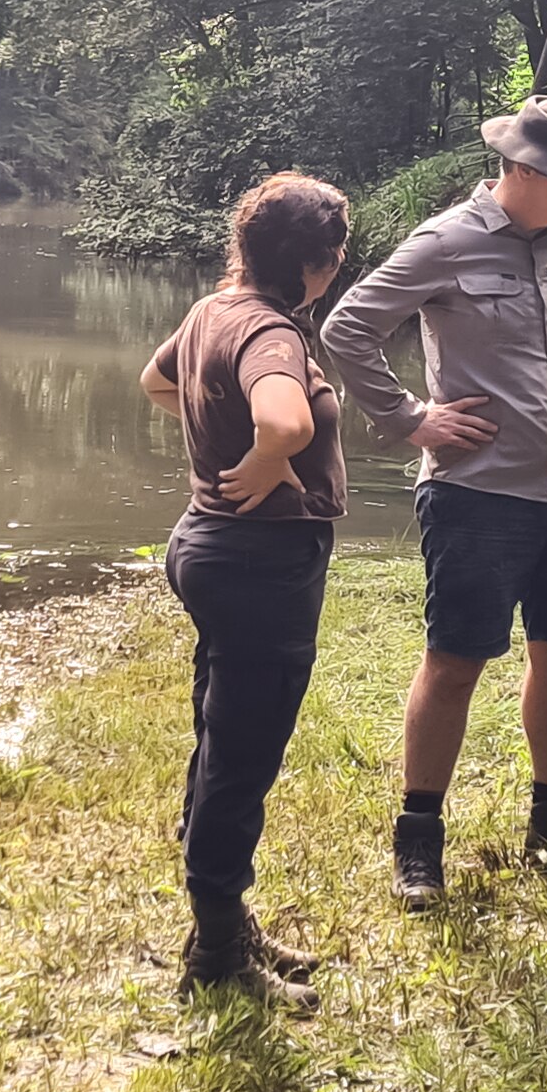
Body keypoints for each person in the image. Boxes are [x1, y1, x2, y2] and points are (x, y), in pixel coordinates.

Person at [320, 95, 547, 908]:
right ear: (523, 169)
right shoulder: (445, 241)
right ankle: (418, 838)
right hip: (477, 494)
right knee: (456, 661)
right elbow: (348, 328)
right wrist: (409, 419)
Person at [137, 172, 356, 1005]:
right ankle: (218, 956)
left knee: (220, 731)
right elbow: (285, 421)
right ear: (313, 263)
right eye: (335, 256)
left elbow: (156, 382)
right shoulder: (269, 332)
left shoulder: (211, 311)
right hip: (259, 562)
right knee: (242, 756)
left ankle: (222, 920)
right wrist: (265, 457)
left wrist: (222, 442)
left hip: (208, 544)